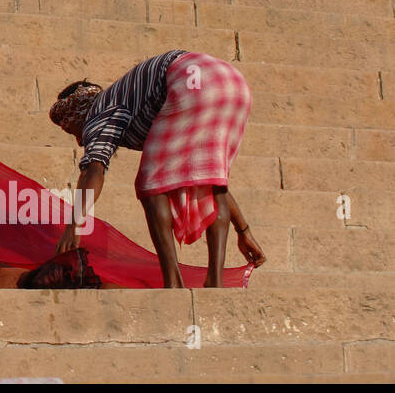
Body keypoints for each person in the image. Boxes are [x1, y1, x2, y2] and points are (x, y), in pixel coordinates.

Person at [48, 49, 267, 287]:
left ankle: (173, 284)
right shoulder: (129, 100)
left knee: (150, 184)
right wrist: (243, 231)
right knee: (210, 176)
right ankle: (214, 283)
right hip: (232, 82)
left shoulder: (97, 114)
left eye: (71, 132)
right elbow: (214, 179)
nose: (80, 142)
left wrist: (73, 226)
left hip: (189, 78)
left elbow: (93, 170)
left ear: (76, 115)